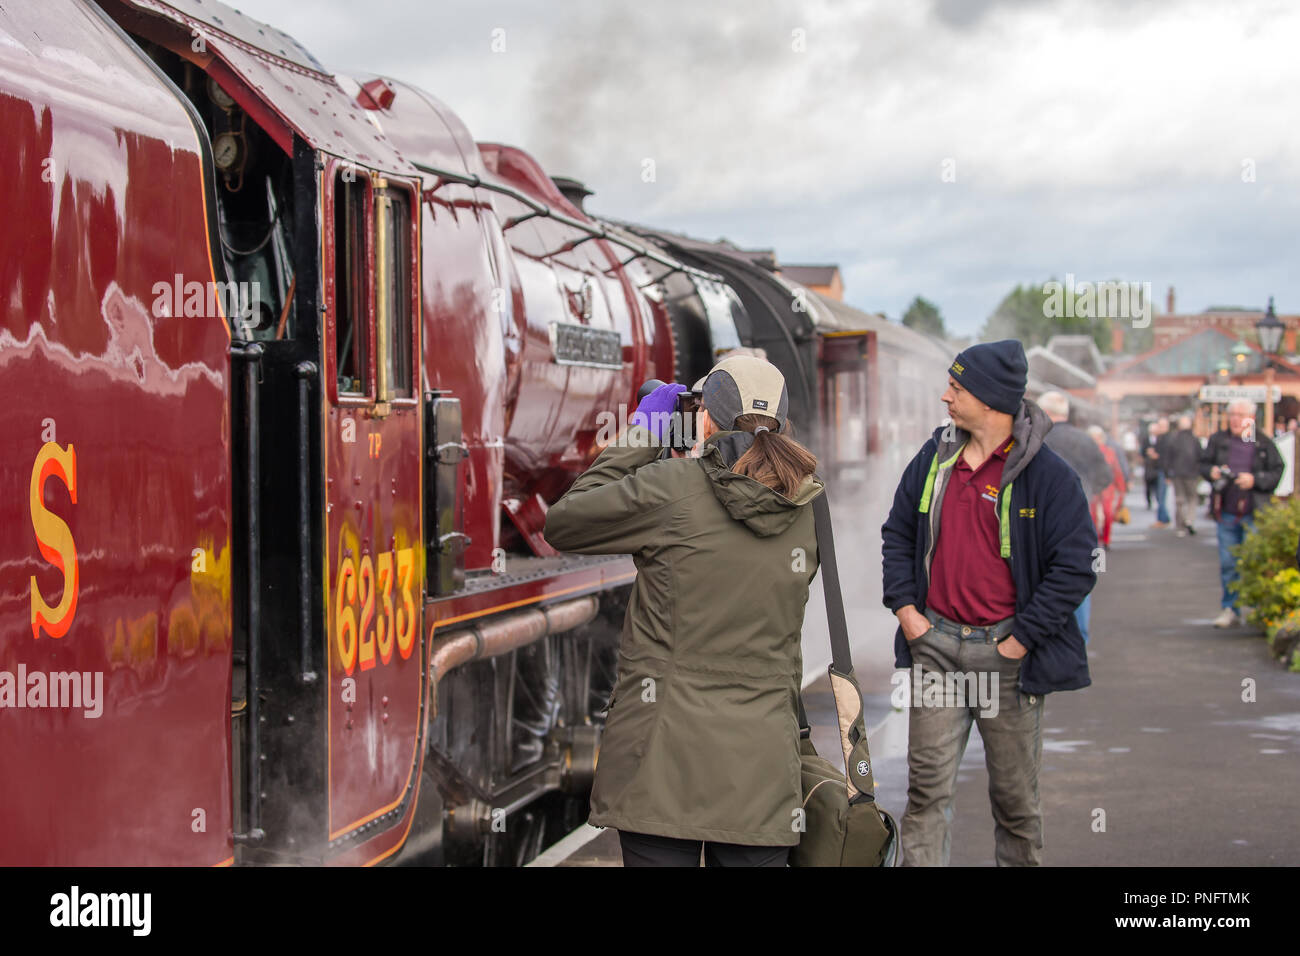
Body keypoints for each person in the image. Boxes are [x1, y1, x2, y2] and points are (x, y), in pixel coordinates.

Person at [544, 355, 823, 867]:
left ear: (707, 418)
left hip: (658, 765)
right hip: (759, 772)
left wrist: (645, 432)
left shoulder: (671, 490)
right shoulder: (809, 508)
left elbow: (565, 523)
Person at [881, 340, 1096, 867]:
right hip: (936, 648)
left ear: (991, 398)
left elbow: (1077, 565)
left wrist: (1023, 638)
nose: (944, 397)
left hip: (1007, 658)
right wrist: (907, 612)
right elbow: (897, 533)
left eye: (956, 388)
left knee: (1016, 805)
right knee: (926, 796)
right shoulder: (935, 458)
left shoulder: (1049, 476)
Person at [1199, 399, 1284, 628]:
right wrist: (1213, 473)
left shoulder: (1263, 442)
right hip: (1226, 511)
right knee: (1228, 563)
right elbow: (1203, 464)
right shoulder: (1218, 440)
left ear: (1252, 418)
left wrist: (1256, 480)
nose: (1235, 419)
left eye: (1240, 414)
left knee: (1256, 563)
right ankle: (1230, 608)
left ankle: (1259, 611)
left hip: (1255, 511)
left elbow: (1278, 470)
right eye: (1232, 414)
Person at [1037, 390, 1111, 645]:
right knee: (1078, 575)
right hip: (1082, 517)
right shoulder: (1085, 440)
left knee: (1041, 576)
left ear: (1044, 412)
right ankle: (1079, 638)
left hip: (1041, 519)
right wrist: (1087, 493)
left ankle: (1045, 638)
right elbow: (1105, 477)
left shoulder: (1037, 439)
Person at [1086, 425, 1126, 548]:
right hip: (1092, 487)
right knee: (1092, 515)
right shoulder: (1085, 452)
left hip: (1107, 487)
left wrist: (1121, 488)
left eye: (1097, 437)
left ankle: (1106, 539)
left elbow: (1116, 470)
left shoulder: (1109, 451)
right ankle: (1096, 538)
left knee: (1108, 513)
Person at [1164, 414, 1202, 537]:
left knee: (1180, 499)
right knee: (1192, 498)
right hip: (1192, 473)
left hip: (1177, 473)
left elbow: (1168, 458)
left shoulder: (1174, 439)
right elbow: (1200, 456)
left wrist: (1167, 474)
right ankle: (1189, 520)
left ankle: (1182, 524)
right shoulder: (1195, 439)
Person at [1145, 418, 1173, 527]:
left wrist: (1168, 474)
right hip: (1158, 470)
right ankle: (1163, 518)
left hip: (1163, 471)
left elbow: (1167, 458)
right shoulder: (1160, 438)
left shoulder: (1167, 439)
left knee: (1161, 496)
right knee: (1159, 496)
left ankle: (1162, 519)